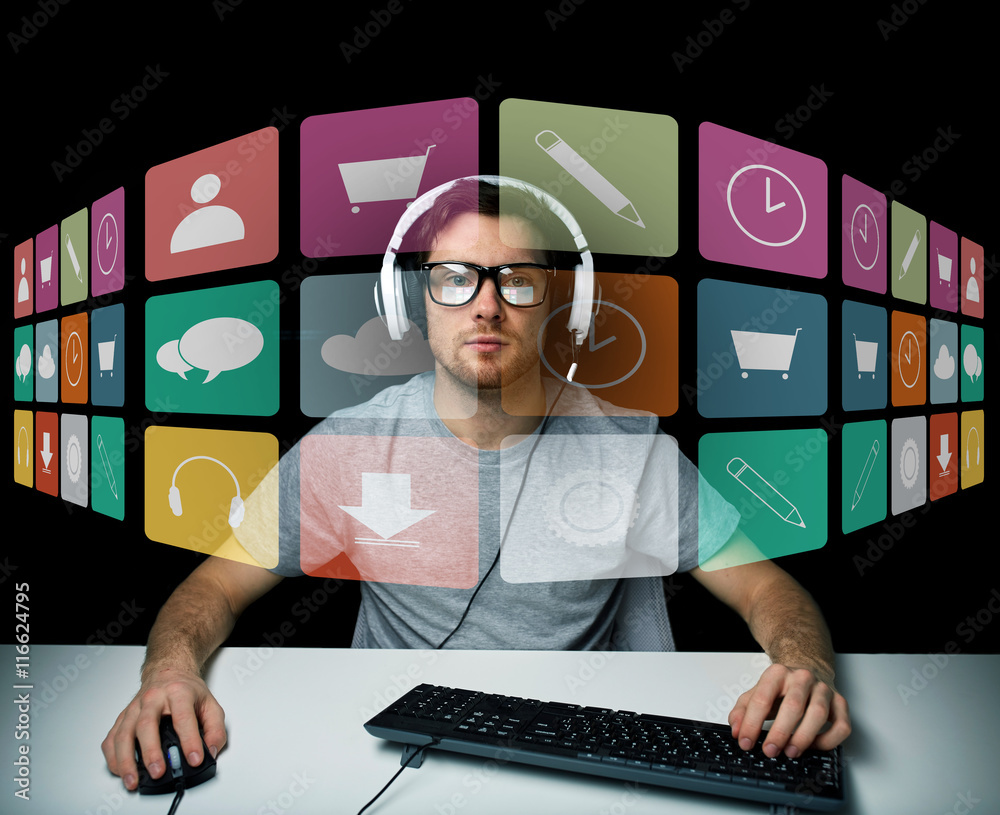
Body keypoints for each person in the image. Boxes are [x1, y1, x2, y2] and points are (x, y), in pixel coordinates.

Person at [103, 176, 850, 791]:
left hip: (579, 755)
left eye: (515, 280)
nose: (486, 304)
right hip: (391, 752)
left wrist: (804, 665)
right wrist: (168, 673)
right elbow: (216, 585)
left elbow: (765, 588)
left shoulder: (630, 448)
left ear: (559, 303)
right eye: (455, 279)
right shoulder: (349, 444)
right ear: (414, 303)